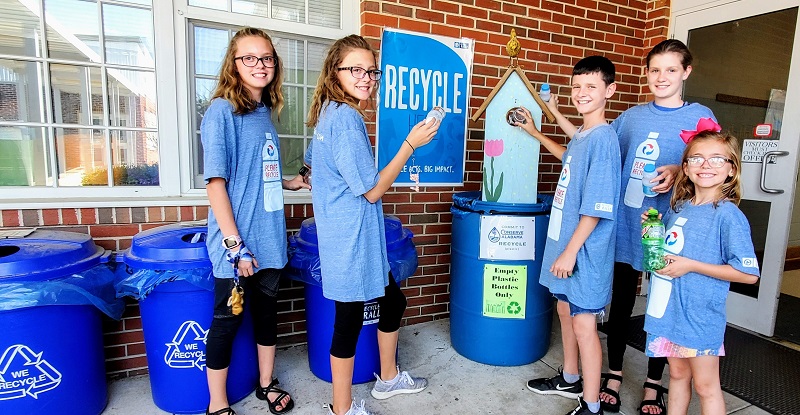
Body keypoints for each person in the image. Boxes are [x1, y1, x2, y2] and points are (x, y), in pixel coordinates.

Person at [545, 39, 717, 415]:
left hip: (669, 229)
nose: (662, 77)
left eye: (671, 69)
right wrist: (548, 118)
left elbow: (715, 164)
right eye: (655, 69)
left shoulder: (700, 117)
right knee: (622, 303)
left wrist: (679, 168)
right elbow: (589, 142)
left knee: (661, 307)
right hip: (624, 225)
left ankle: (654, 383)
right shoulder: (631, 117)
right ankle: (615, 373)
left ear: (686, 72)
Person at [304, 35, 440, 415]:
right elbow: (373, 191)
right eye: (355, 69)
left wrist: (305, 176)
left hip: (355, 236)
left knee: (392, 301)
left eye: (371, 70)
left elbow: (312, 161)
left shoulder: (330, 111)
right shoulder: (345, 118)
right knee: (347, 322)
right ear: (336, 71)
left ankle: (388, 377)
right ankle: (342, 408)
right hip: (350, 239)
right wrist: (410, 145)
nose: (366, 77)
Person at [201, 27, 309, 415]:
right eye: (249, 58)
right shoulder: (221, 111)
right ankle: (217, 404)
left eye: (266, 58)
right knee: (226, 322)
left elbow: (253, 172)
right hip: (239, 246)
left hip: (270, 240)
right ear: (234, 64)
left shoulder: (264, 112)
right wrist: (235, 246)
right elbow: (216, 184)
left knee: (267, 316)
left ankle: (266, 384)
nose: (260, 65)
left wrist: (289, 181)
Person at [515, 55, 621, 415]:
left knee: (585, 324)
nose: (581, 93)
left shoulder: (604, 140)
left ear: (610, 90)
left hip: (584, 252)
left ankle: (591, 405)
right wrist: (535, 130)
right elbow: (569, 156)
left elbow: (595, 207)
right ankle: (570, 376)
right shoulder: (585, 136)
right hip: (566, 243)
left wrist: (570, 252)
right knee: (564, 308)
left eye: (591, 86)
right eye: (577, 86)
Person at [643, 130, 759, 415]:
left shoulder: (728, 216)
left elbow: (748, 275)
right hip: (669, 313)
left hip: (699, 318)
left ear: (731, 169)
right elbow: (669, 254)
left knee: (706, 387)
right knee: (678, 377)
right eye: (697, 158)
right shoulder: (679, 207)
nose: (706, 165)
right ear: (685, 167)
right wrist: (654, 230)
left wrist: (691, 265)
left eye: (717, 159)